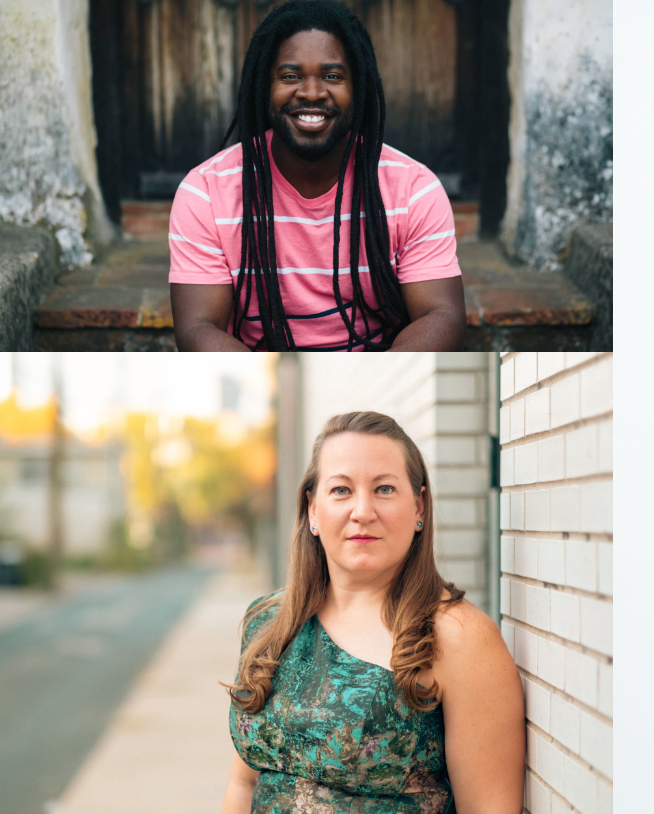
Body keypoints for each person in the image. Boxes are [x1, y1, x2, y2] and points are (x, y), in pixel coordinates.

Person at [221, 411, 523, 812]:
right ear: (312, 510)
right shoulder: (269, 620)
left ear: (419, 506)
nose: (362, 511)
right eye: (341, 490)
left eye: (383, 489)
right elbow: (245, 783)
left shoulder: (458, 637)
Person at [169, 0, 466, 351]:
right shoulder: (205, 192)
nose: (312, 93)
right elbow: (198, 327)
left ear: (358, 88)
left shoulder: (413, 189)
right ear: (265, 86)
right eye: (290, 76)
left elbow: (442, 314)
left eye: (333, 76)